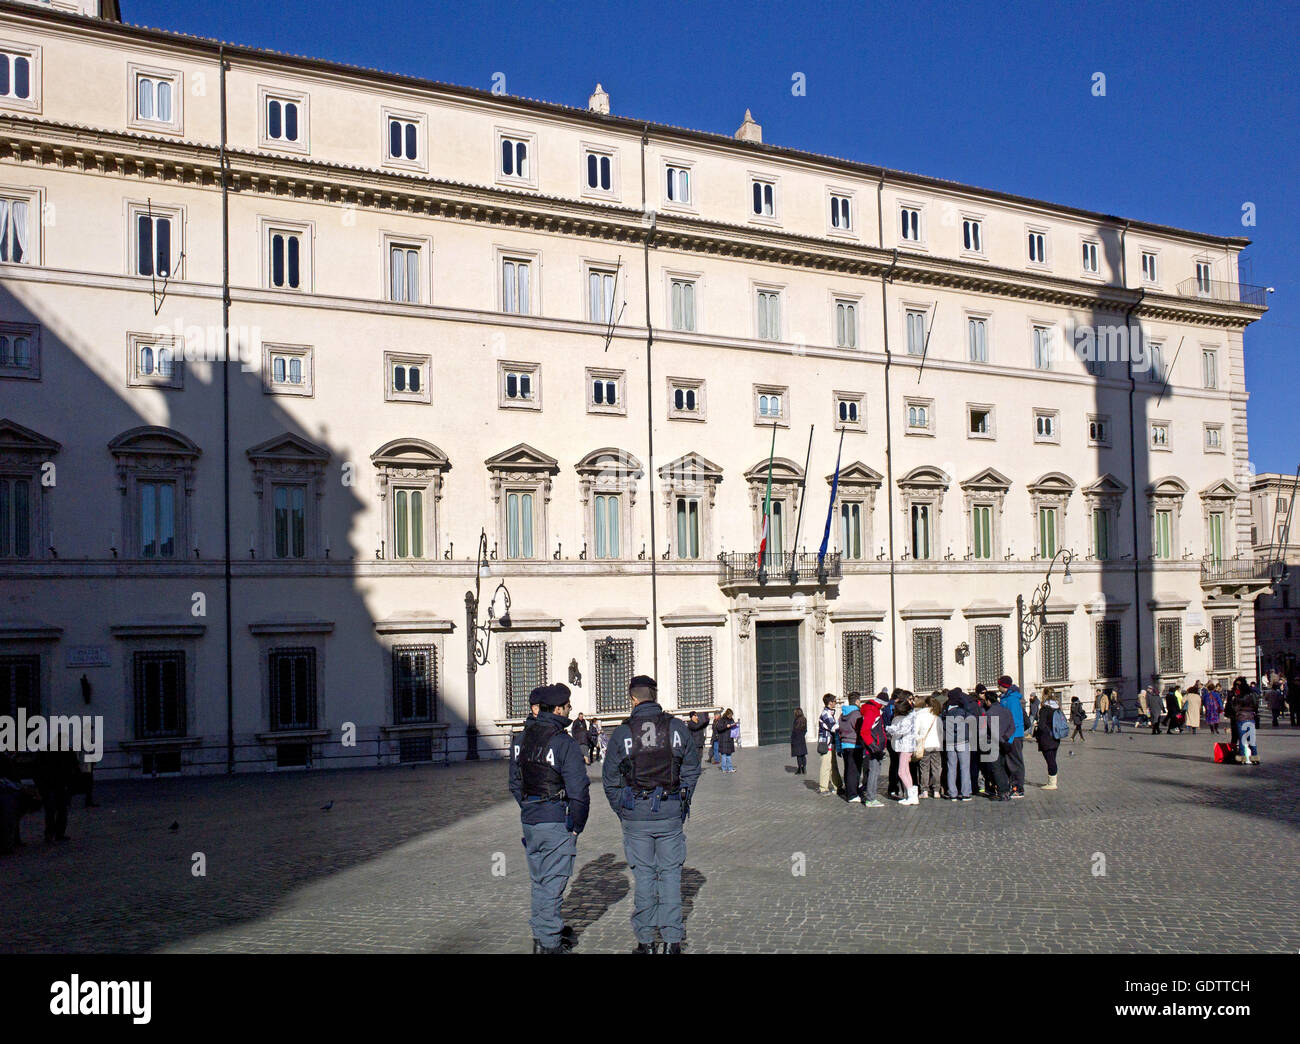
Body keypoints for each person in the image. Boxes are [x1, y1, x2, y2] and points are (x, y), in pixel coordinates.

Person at [602, 675, 701, 954]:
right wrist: (682, 799)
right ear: (654, 696)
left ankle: (645, 941)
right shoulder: (677, 728)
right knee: (670, 876)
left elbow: (610, 779)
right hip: (669, 811)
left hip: (636, 813)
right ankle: (671, 941)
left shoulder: (623, 732)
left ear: (633, 698)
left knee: (644, 876)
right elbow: (691, 768)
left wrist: (622, 809)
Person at [508, 684, 591, 954]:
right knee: (552, 884)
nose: (570, 709)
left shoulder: (521, 739)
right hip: (555, 818)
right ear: (557, 709)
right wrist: (576, 826)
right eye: (567, 705)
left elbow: (514, 783)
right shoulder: (563, 742)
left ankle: (541, 934)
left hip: (530, 819)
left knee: (540, 881)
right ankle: (550, 944)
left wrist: (529, 807)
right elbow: (579, 791)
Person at [978, 688, 1015, 801]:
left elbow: (994, 732)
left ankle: (1002, 791)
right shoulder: (1006, 710)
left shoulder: (989, 713)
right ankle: (1006, 788)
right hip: (1005, 742)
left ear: (988, 701)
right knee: (1002, 766)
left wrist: (1001, 740)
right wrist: (1005, 738)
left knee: (996, 768)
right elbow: (1012, 727)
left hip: (994, 743)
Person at [996, 675, 1027, 797]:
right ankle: (1012, 784)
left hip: (1014, 735)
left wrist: (1010, 737)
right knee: (1009, 761)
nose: (997, 687)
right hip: (1007, 735)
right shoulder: (1004, 698)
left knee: (1016, 761)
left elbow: (1015, 720)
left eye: (999, 684)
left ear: (1003, 686)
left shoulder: (1012, 700)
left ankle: (1019, 788)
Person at [941, 687, 974, 802]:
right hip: (962, 741)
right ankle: (965, 793)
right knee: (964, 768)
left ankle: (952, 793)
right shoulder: (963, 711)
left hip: (950, 742)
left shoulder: (946, 712)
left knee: (951, 768)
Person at [886, 690, 918, 806]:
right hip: (905, 745)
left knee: (901, 771)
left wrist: (889, 729)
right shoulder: (911, 714)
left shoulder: (908, 716)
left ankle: (911, 794)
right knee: (906, 771)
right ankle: (912, 795)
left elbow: (902, 729)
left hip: (905, 745)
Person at [857, 691, 889, 807]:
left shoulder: (874, 710)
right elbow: (865, 731)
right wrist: (874, 747)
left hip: (875, 746)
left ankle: (870, 796)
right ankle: (870, 798)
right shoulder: (872, 711)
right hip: (873, 748)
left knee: (874, 772)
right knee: (874, 772)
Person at [913, 694, 942, 798]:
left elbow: (915, 732)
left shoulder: (919, 716)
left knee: (924, 768)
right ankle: (936, 791)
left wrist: (918, 741)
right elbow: (941, 732)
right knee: (936, 768)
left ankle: (924, 790)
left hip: (925, 745)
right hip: (937, 745)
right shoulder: (937, 717)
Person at [835, 695, 864, 802]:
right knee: (854, 770)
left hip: (845, 744)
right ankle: (852, 795)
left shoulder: (842, 714)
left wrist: (839, 747)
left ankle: (850, 791)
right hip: (855, 744)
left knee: (848, 769)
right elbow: (860, 730)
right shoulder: (857, 714)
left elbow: (838, 732)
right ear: (857, 701)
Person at [816, 694, 843, 796]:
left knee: (833, 766)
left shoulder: (829, 713)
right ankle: (823, 788)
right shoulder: (826, 714)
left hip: (831, 744)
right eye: (835, 701)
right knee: (826, 766)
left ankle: (838, 785)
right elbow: (833, 727)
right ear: (830, 702)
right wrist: (842, 721)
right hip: (826, 744)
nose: (836, 703)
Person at [1037, 690, 1064, 790]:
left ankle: (1052, 783)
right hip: (1056, 736)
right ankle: (1052, 781)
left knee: (1050, 760)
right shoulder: (1057, 707)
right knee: (1052, 758)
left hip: (1046, 738)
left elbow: (1041, 725)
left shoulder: (1045, 709)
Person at [1232, 677, 1259, 765]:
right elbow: (1256, 705)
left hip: (1241, 718)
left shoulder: (1238, 696)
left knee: (1242, 739)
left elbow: (1235, 708)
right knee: (1252, 739)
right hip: (1251, 718)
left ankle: (1242, 758)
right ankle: (1255, 757)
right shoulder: (1252, 694)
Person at [790, 708, 808, 775]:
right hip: (802, 739)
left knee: (799, 755)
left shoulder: (796, 720)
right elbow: (805, 729)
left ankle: (799, 768)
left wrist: (793, 738)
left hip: (796, 739)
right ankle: (804, 768)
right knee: (803, 754)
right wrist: (802, 735)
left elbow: (794, 730)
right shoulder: (804, 719)